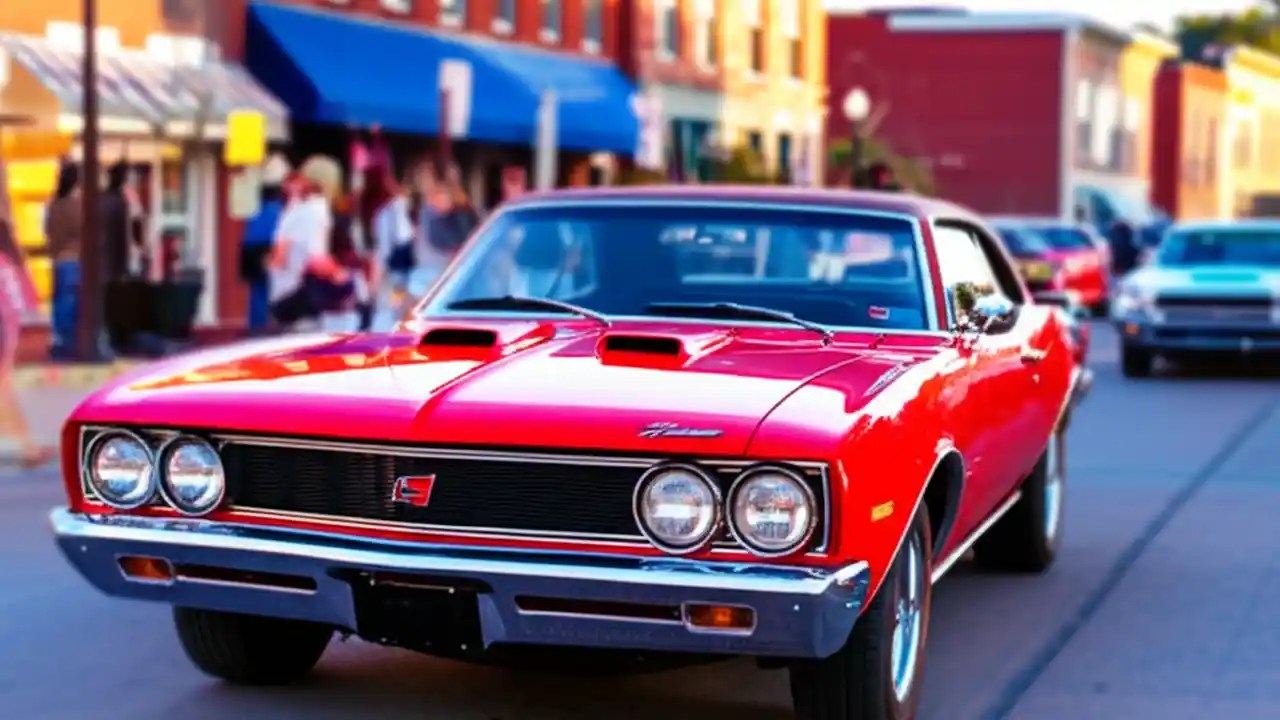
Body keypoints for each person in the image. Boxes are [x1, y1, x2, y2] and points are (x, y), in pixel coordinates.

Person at [0, 158, 56, 467]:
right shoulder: (6, 247)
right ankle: (27, 447)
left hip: (7, 318)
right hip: (7, 318)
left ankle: (27, 446)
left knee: (3, 384)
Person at [267, 156, 356, 333]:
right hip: (302, 302)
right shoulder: (318, 208)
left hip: (279, 298)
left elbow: (276, 259)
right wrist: (343, 277)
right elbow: (316, 260)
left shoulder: (292, 209)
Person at [240, 156, 289, 335]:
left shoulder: (257, 206)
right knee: (271, 290)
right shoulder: (279, 209)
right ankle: (263, 329)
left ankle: (256, 328)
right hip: (268, 246)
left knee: (257, 291)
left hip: (251, 246)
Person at [44, 160, 82, 359]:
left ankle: (60, 343)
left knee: (60, 304)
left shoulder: (54, 205)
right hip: (74, 261)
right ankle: (69, 345)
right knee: (72, 304)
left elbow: (49, 232)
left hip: (58, 260)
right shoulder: (77, 206)